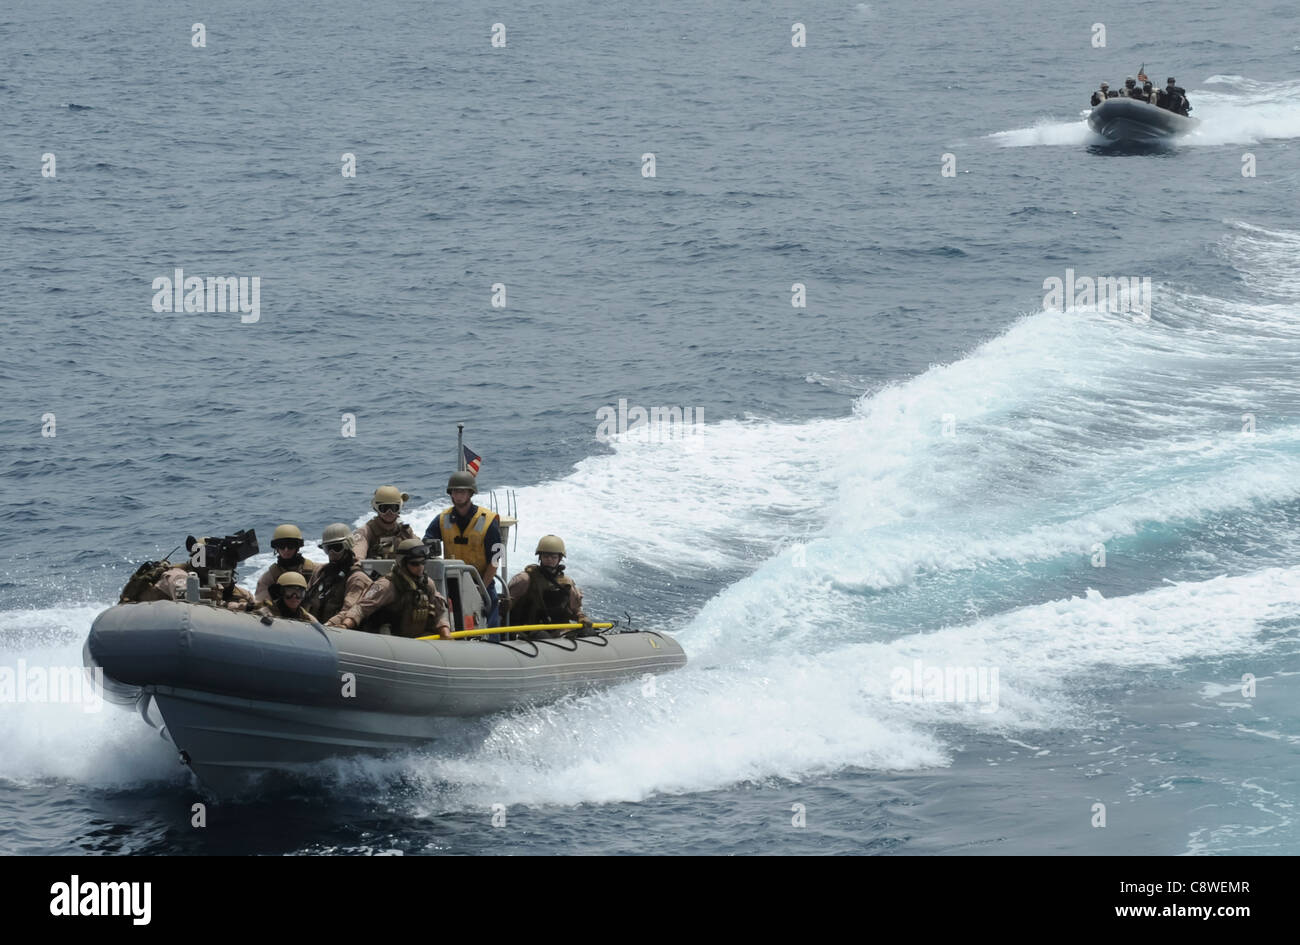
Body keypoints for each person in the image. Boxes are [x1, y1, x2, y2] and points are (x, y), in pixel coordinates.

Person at [329, 539, 451, 638]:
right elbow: (361, 608)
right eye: (414, 563)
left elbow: (440, 609)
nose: (420, 567)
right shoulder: (387, 585)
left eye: (423, 563)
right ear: (403, 563)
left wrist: (444, 631)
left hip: (419, 640)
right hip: (392, 643)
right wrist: (345, 625)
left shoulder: (427, 584)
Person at [424, 471, 503, 623]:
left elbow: (496, 561)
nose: (458, 495)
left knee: (490, 632)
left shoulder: (488, 521)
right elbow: (427, 542)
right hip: (451, 584)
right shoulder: (442, 519)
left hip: (482, 584)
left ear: (470, 493)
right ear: (450, 494)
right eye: (455, 491)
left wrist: (482, 589)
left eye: (462, 491)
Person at [506, 535, 591, 638]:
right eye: (545, 556)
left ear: (560, 559)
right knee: (542, 636)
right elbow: (508, 609)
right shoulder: (525, 579)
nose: (549, 560)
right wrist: (505, 605)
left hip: (559, 632)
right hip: (529, 631)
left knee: (589, 632)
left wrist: (581, 617)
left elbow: (575, 609)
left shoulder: (566, 583)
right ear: (540, 557)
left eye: (554, 557)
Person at [302, 523, 373, 625]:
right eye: (327, 548)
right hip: (312, 628)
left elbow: (348, 611)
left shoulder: (357, 578)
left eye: (336, 548)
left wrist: (326, 626)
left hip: (336, 633)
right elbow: (306, 600)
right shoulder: (320, 572)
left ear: (348, 546)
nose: (331, 553)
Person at [254, 524, 318, 604]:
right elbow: (260, 606)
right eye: (282, 546)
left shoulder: (314, 570)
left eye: (290, 546)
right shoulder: (270, 577)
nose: (286, 550)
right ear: (276, 548)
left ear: (297, 547)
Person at [352, 486, 416, 560]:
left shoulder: (405, 531)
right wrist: (358, 563)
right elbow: (358, 553)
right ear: (376, 508)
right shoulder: (366, 532)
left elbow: (419, 548)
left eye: (394, 508)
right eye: (384, 508)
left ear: (400, 508)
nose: (389, 512)